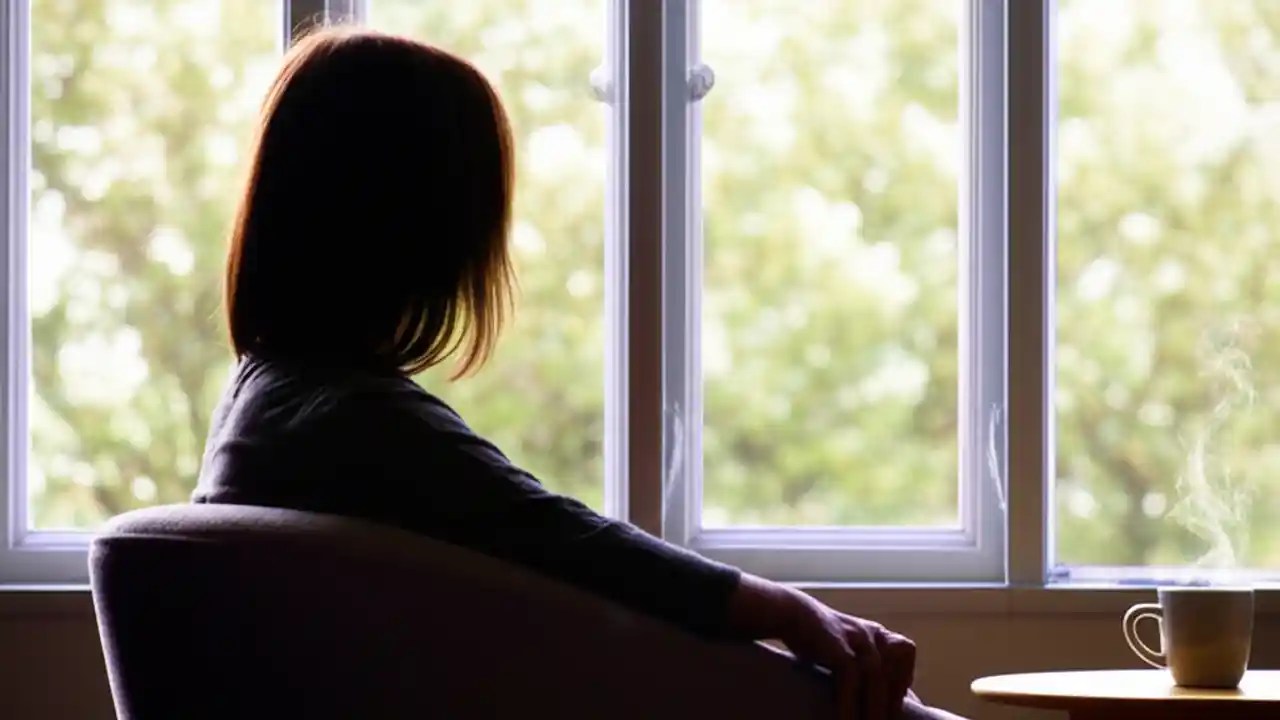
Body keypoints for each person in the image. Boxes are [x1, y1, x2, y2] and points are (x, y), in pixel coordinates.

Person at [193, 26, 965, 720]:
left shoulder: (266, 407)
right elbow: (576, 545)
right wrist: (796, 614)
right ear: (424, 230)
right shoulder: (354, 420)